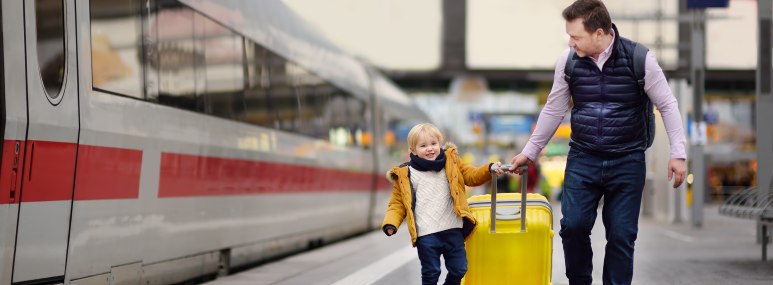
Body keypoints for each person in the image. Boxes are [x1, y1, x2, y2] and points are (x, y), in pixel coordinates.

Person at [509, 1, 687, 284]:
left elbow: (667, 104)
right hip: (584, 158)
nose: (571, 42)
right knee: (573, 226)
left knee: (621, 235)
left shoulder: (640, 58)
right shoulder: (568, 62)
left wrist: (678, 153)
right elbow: (554, 109)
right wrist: (529, 152)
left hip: (627, 159)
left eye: (576, 36)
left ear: (600, 33)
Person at [382, 123, 503, 285]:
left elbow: (471, 175)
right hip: (426, 234)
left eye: (434, 144)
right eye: (423, 146)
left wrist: (489, 169)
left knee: (459, 269)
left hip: (453, 228)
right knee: (431, 273)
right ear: (413, 151)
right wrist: (391, 223)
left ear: (440, 143)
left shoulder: (451, 162)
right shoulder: (406, 174)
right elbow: (397, 204)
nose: (430, 149)